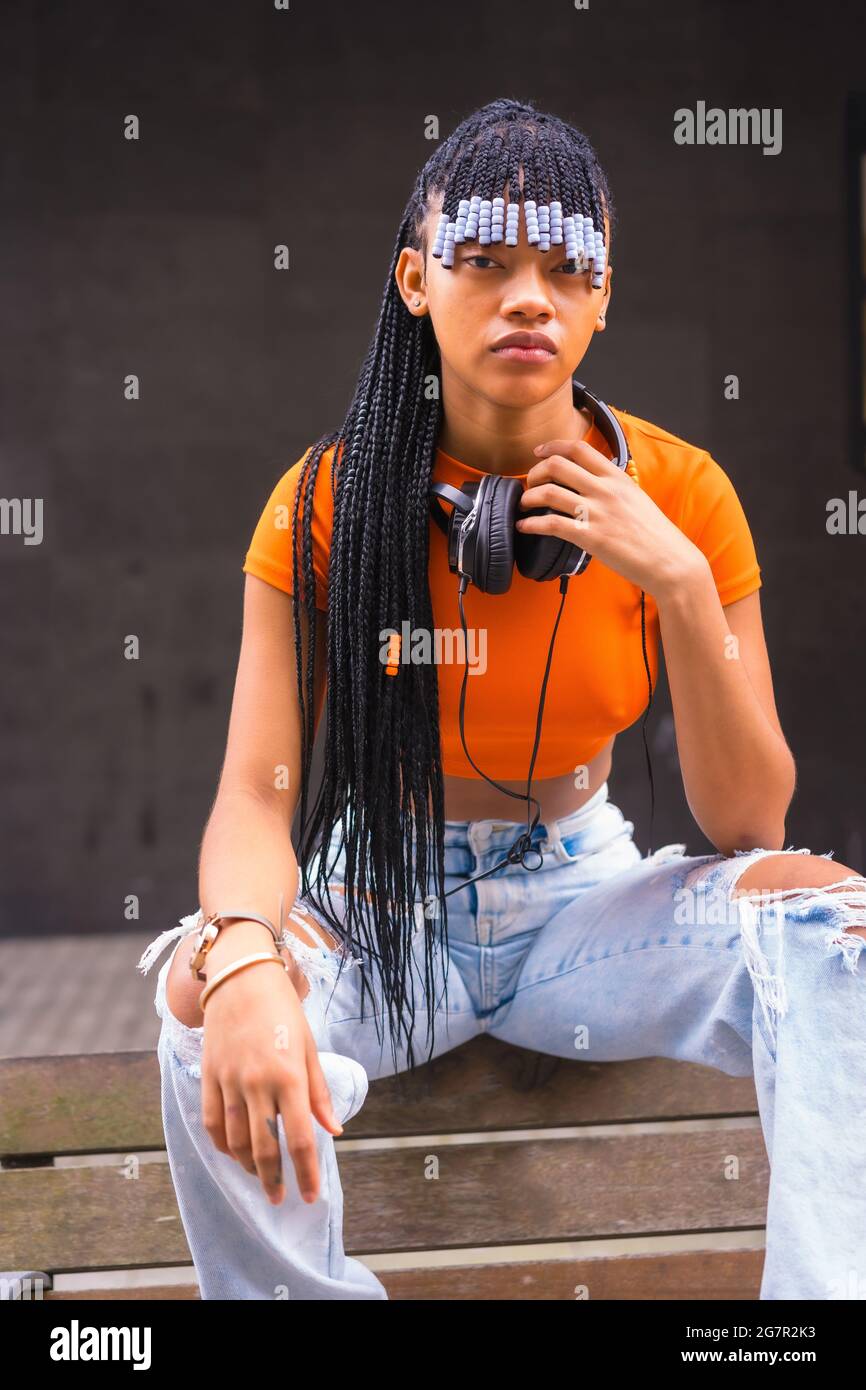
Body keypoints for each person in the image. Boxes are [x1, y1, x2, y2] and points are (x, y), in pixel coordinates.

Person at [137, 98, 866, 1301]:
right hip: (378, 905)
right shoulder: (320, 505)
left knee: (840, 925)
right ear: (417, 280)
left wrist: (677, 581)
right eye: (484, 261)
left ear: (601, 297)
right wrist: (249, 957)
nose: (528, 294)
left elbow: (750, 825)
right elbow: (252, 804)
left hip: (582, 907)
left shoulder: (682, 494)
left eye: (563, 266)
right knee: (197, 999)